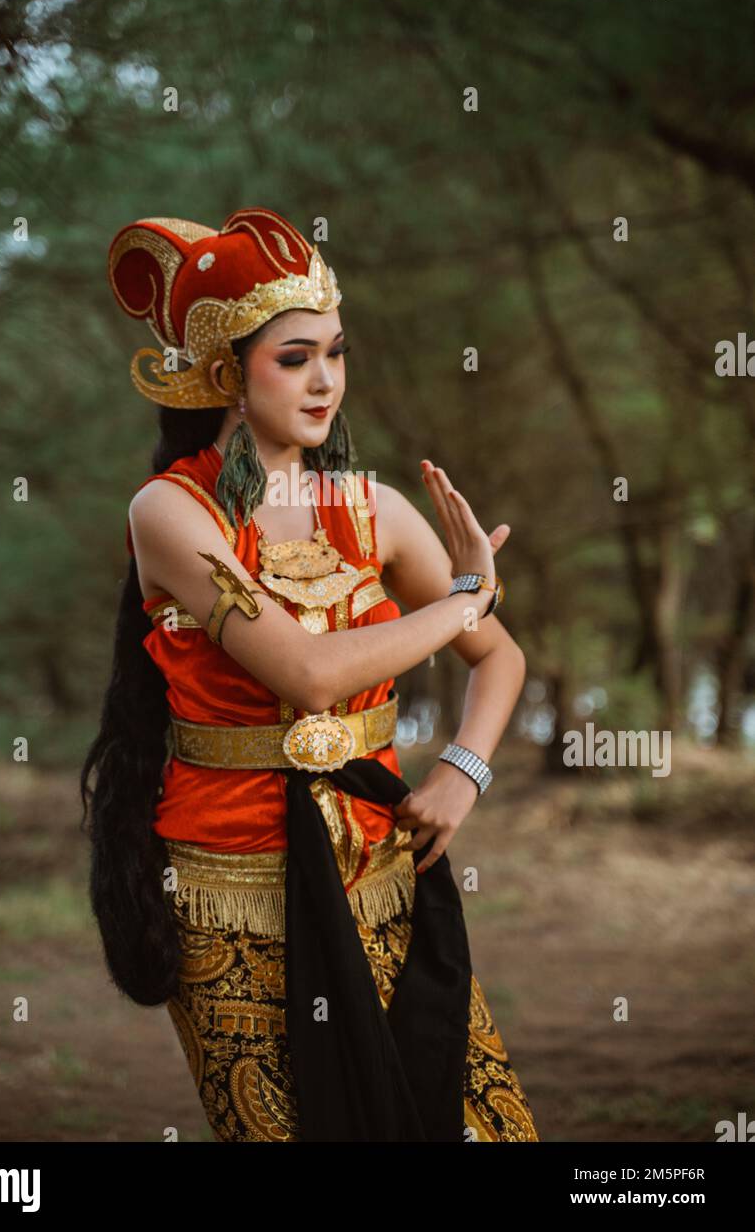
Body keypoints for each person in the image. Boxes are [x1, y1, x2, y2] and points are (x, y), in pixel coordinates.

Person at [81, 206, 540, 1143]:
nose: (326, 378)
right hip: (231, 893)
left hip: (385, 872)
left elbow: (500, 658)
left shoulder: (372, 508)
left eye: (336, 351)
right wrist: (463, 602)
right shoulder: (171, 516)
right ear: (223, 375)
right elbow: (309, 675)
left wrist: (463, 772)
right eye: (294, 358)